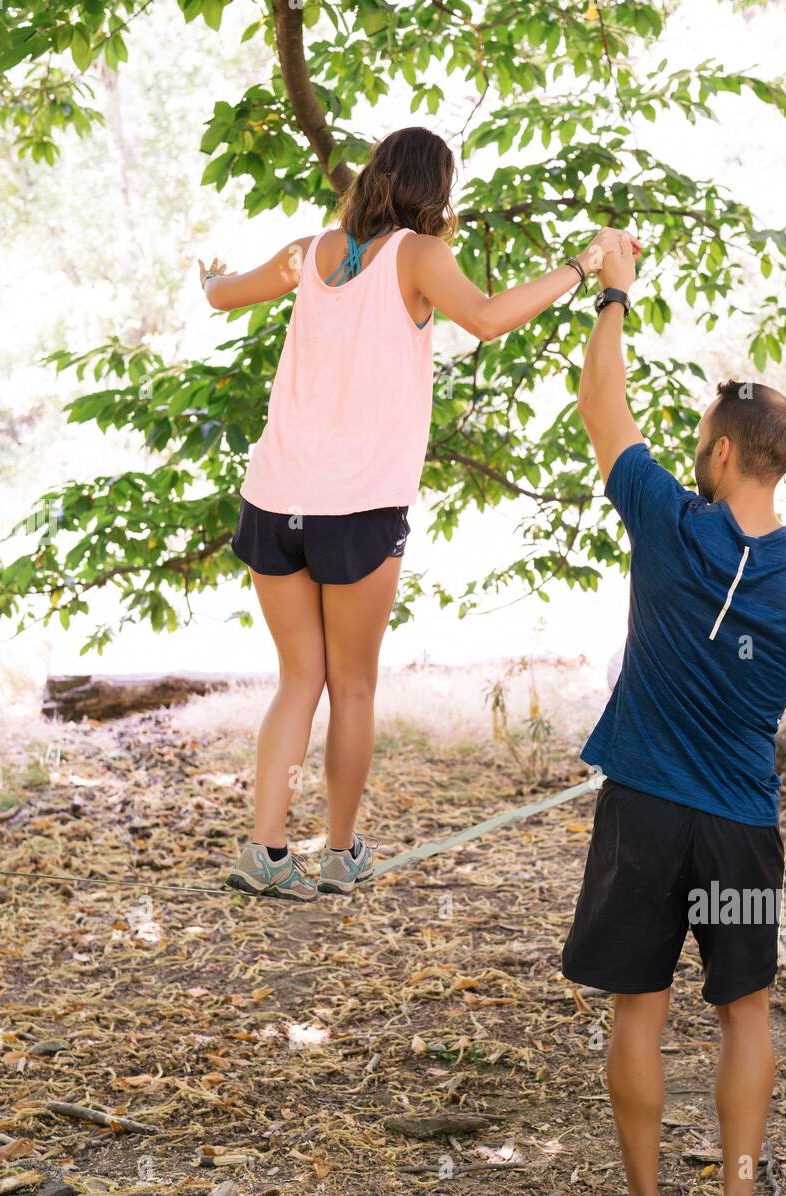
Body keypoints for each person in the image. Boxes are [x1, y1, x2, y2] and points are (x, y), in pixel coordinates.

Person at [563, 232, 786, 1196]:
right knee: (743, 1011)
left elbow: (598, 406)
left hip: (640, 822)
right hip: (743, 836)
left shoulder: (664, 519)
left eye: (700, 436)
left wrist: (612, 292)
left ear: (716, 455)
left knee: (640, 1008)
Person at [199, 126, 620, 900]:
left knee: (299, 680)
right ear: (435, 189)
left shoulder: (312, 249)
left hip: (274, 498)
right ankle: (339, 853)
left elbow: (223, 295)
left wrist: (212, 275)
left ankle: (264, 852)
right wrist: (583, 266)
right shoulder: (420, 256)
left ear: (372, 177)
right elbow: (489, 320)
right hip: (356, 507)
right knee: (352, 687)